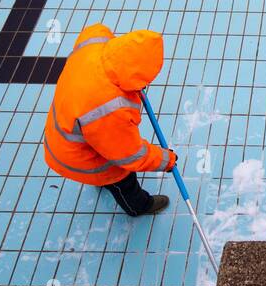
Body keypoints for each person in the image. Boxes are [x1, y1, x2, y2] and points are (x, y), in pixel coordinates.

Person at [43, 23, 177, 216]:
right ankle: (138, 207)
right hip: (80, 155)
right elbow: (131, 155)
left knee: (111, 172)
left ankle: (103, 184)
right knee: (122, 181)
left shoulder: (95, 45)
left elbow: (95, 29)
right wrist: (167, 160)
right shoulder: (109, 108)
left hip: (64, 128)